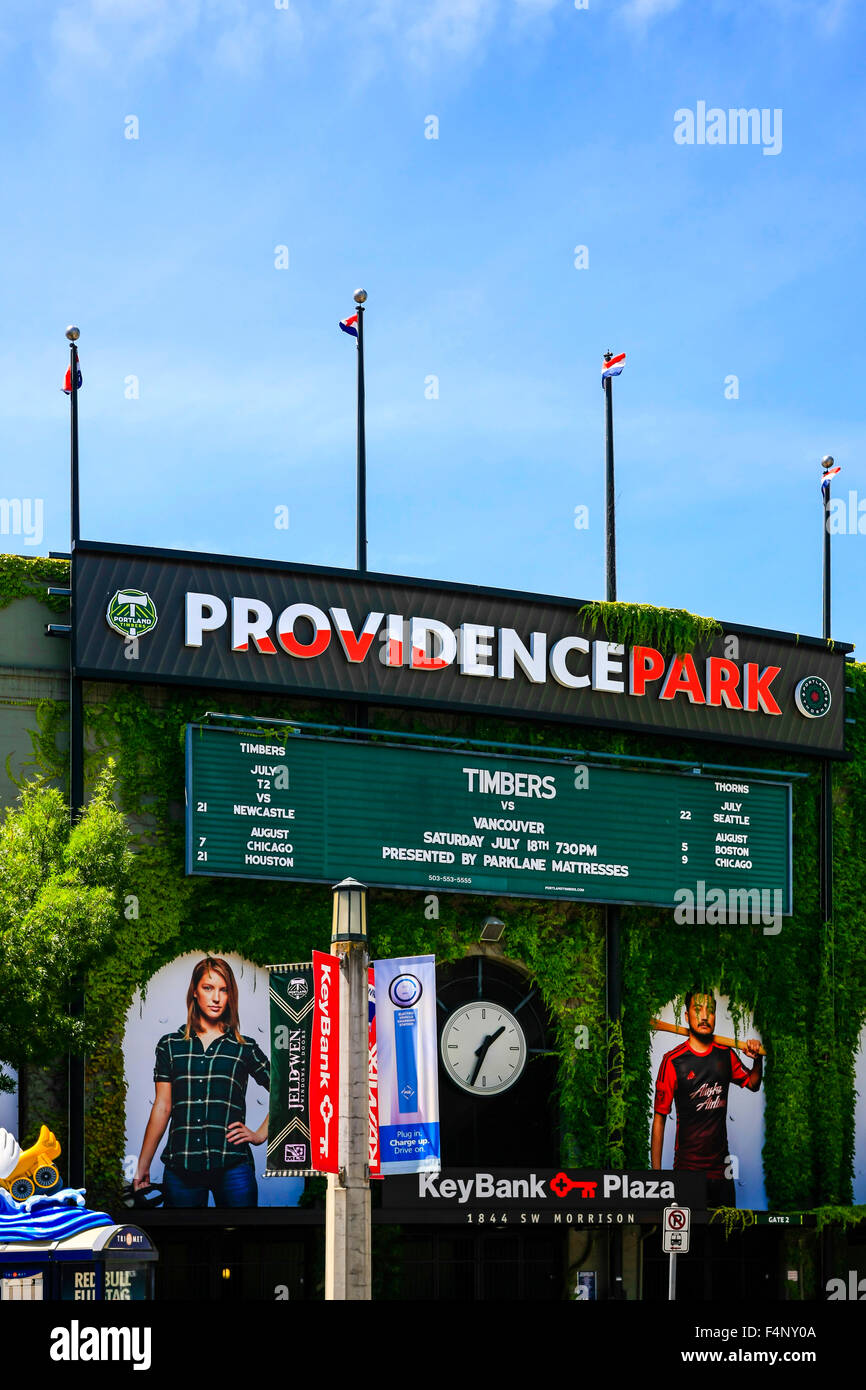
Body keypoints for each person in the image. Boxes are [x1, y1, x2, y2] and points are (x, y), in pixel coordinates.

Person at [133, 956, 270, 1208]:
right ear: (195, 991)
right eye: (208, 988)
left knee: (240, 1242)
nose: (216, 998)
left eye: (223, 990)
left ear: (230, 996)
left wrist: (261, 1134)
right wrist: (143, 1164)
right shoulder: (170, 1045)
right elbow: (162, 1107)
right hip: (181, 1164)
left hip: (233, 1165)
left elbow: (288, 1090)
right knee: (184, 1244)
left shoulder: (244, 1048)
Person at [651, 990, 762, 1208]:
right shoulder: (672, 1061)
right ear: (686, 1016)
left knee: (725, 1239)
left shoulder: (725, 1055)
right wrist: (656, 1177)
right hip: (686, 1173)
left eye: (710, 1011)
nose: (704, 1016)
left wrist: (757, 1060)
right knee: (690, 1240)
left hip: (723, 1172)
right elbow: (659, 1119)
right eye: (697, 1009)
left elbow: (753, 1084)